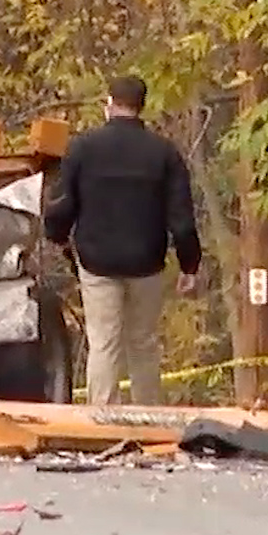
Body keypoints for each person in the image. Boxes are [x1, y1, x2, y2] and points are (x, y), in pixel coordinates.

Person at [42, 74, 201, 406]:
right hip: (147, 261)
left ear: (109, 104)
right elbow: (181, 216)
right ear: (142, 106)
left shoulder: (84, 148)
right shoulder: (163, 153)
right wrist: (189, 263)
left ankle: (102, 415)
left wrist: (57, 235)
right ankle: (149, 415)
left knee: (104, 342)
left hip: (97, 260)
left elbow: (62, 203)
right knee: (143, 342)